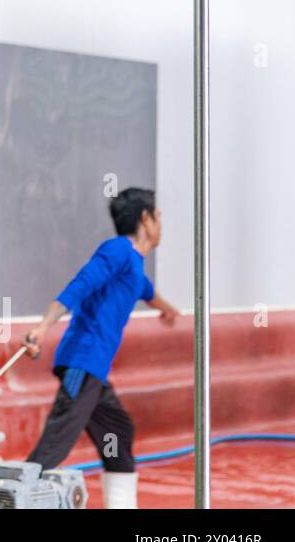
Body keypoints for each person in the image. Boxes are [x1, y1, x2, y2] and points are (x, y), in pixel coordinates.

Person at [23, 187, 180, 509]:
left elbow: (148, 292)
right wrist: (42, 327)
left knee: (116, 431)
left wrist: (168, 309)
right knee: (57, 440)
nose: (162, 224)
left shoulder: (134, 267)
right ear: (145, 218)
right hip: (82, 362)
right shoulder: (117, 252)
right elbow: (80, 285)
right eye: (159, 217)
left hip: (94, 370)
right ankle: (14, 497)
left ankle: (121, 504)